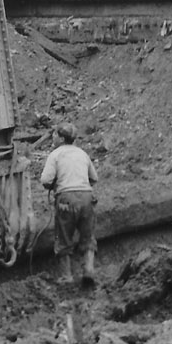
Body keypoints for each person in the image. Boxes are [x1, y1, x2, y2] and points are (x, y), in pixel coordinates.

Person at [39, 121, 100, 285]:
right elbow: (94, 178)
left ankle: (66, 276)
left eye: (54, 134)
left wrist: (56, 184)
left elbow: (45, 180)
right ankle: (88, 269)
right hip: (87, 197)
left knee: (64, 237)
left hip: (66, 198)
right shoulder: (82, 154)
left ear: (60, 137)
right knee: (88, 236)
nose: (52, 137)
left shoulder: (55, 155)